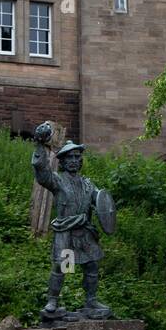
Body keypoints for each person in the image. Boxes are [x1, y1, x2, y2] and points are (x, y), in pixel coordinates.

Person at [31, 121, 113, 319]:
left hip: (84, 232)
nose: (74, 160)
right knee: (63, 266)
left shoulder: (87, 183)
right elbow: (42, 174)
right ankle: (53, 301)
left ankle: (91, 301)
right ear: (63, 161)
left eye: (77, 157)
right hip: (66, 232)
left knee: (92, 265)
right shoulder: (58, 180)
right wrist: (40, 145)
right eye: (70, 157)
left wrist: (103, 206)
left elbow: (100, 201)